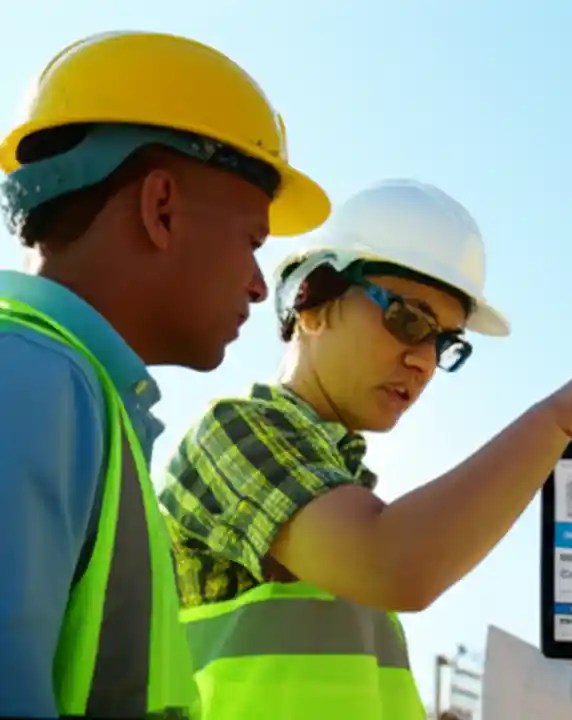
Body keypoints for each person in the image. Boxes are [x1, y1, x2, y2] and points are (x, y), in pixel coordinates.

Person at [158, 179, 572, 720]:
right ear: (312, 302)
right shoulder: (233, 433)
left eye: (445, 342)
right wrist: (554, 421)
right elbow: (392, 564)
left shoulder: (348, 497)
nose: (425, 361)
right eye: (407, 319)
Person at [0, 31, 327, 719]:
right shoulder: (31, 382)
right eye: (252, 241)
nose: (258, 287)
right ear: (161, 208)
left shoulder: (75, 399)